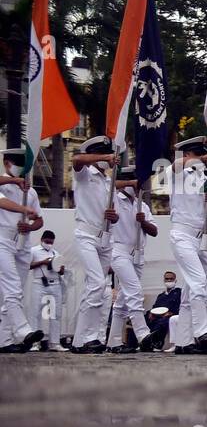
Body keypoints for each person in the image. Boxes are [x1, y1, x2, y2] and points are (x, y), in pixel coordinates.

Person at [163, 136, 207, 354]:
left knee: (192, 292)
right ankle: (202, 333)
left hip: (201, 239)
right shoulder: (177, 173)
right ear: (189, 155)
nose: (202, 158)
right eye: (199, 154)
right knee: (199, 282)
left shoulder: (205, 178)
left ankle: (183, 342)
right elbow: (177, 164)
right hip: (181, 234)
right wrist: (204, 159)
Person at [106, 163, 165, 352]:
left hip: (138, 254)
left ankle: (114, 342)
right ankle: (143, 334)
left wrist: (143, 222)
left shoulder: (143, 206)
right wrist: (125, 182)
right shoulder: (114, 199)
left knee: (123, 302)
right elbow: (110, 184)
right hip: (119, 251)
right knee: (134, 291)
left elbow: (154, 231)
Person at [70, 135, 118, 353]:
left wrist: (113, 216)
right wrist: (103, 157)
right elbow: (77, 160)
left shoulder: (110, 182)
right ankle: (89, 337)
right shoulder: (84, 175)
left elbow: (114, 214)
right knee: (98, 284)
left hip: (105, 238)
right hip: (86, 235)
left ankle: (80, 340)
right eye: (100, 153)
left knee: (97, 287)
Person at [0, 147, 44, 351]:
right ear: (6, 163)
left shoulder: (31, 191)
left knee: (14, 293)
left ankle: (5, 340)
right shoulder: (4, 184)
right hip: (3, 240)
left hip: (23, 243)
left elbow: (39, 220)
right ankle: (23, 330)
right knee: (12, 288)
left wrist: (30, 225)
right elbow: (4, 203)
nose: (20, 170)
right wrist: (22, 208)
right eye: (17, 164)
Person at [27, 229, 66, 350]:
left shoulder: (56, 253)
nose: (49, 244)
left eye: (51, 242)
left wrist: (59, 268)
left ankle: (54, 343)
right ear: (42, 239)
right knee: (36, 313)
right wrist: (43, 262)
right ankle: (34, 343)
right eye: (47, 241)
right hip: (39, 283)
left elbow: (62, 271)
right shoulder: (33, 250)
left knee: (55, 314)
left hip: (55, 284)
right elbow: (28, 265)